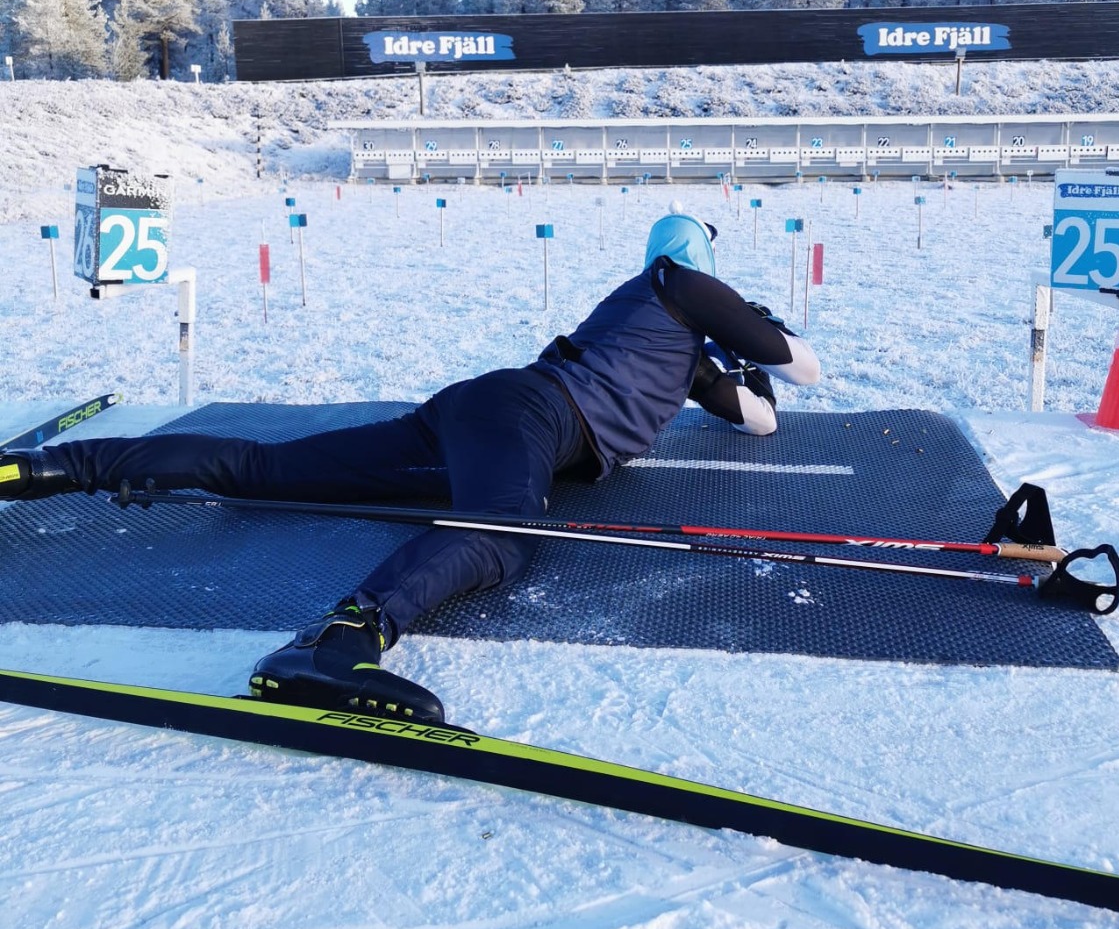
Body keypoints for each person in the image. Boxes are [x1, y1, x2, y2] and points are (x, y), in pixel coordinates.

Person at [0, 208, 820, 721]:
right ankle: (333, 644)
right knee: (499, 537)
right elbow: (799, 365)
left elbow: (760, 418)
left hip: (487, 411)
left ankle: (53, 467)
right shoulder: (675, 279)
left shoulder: (677, 345)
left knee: (267, 469)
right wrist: (755, 329)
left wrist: (733, 363)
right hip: (529, 417)